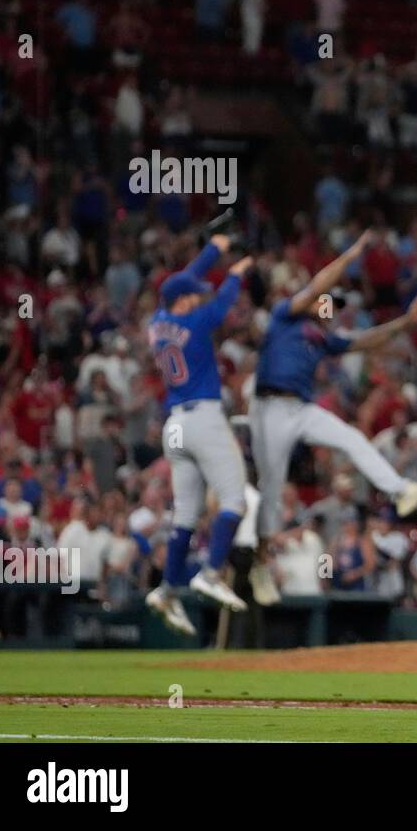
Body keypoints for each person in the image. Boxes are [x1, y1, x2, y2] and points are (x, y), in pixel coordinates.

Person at [249, 230, 417, 572]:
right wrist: (351, 256)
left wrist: (406, 322)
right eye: (326, 302)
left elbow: (367, 340)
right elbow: (317, 285)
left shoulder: (323, 339)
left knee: (351, 438)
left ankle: (400, 490)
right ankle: (260, 559)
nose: (328, 307)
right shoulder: (285, 317)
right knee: (272, 485)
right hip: (269, 407)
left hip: (300, 408)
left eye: (333, 304)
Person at [144, 235, 254, 634]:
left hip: (175, 425)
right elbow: (223, 303)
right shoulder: (195, 319)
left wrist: (213, 249)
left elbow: (181, 283)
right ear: (184, 300)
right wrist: (236, 274)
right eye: (193, 296)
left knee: (186, 516)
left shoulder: (157, 324)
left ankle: (167, 589)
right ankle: (209, 573)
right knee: (234, 500)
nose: (198, 298)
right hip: (204, 418)